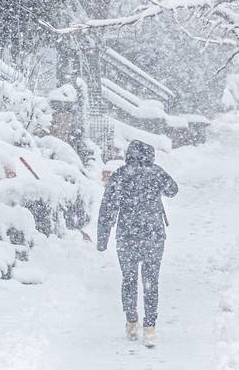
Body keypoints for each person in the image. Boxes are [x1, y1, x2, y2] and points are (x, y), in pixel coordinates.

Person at [97, 140, 178, 347]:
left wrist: (102, 239)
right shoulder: (155, 173)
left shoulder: (120, 175)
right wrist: (154, 172)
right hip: (153, 236)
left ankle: (132, 322)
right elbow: (173, 190)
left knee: (129, 280)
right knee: (151, 281)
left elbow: (107, 208)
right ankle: (150, 328)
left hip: (127, 237)